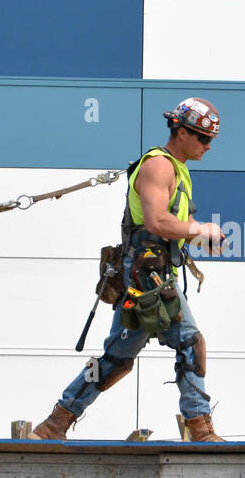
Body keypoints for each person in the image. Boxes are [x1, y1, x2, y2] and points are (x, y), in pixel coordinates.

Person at [28, 97, 228, 442]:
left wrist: (200, 235)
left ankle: (55, 424)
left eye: (210, 140)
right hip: (145, 279)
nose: (208, 146)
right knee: (189, 342)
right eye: (201, 138)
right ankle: (200, 428)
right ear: (180, 132)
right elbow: (156, 220)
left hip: (153, 277)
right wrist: (200, 230)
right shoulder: (158, 167)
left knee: (117, 358)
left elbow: (174, 222)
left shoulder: (177, 171)